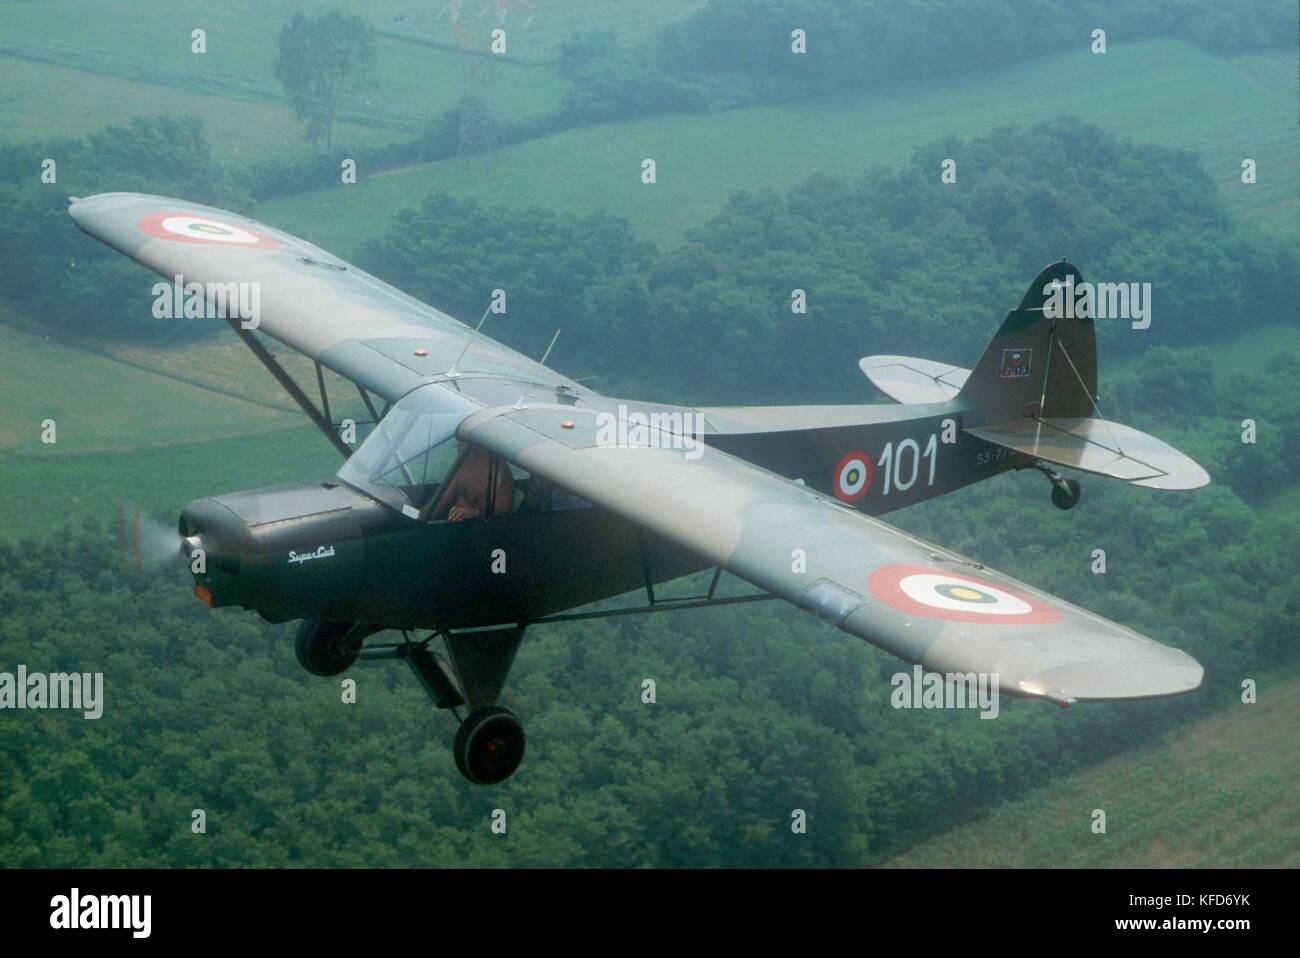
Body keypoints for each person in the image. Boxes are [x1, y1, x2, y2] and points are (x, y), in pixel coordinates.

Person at [445, 443, 514, 521]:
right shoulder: (462, 466)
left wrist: (475, 513)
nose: (459, 447)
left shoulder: (498, 470)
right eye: (458, 444)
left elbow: (501, 513)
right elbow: (442, 501)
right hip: (452, 522)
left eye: (463, 443)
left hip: (478, 527)